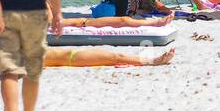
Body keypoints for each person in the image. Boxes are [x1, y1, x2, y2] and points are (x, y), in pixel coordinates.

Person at [45, 45, 174, 67]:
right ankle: (154, 61)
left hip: (72, 56)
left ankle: (154, 60)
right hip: (73, 58)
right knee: (116, 57)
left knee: (116, 56)